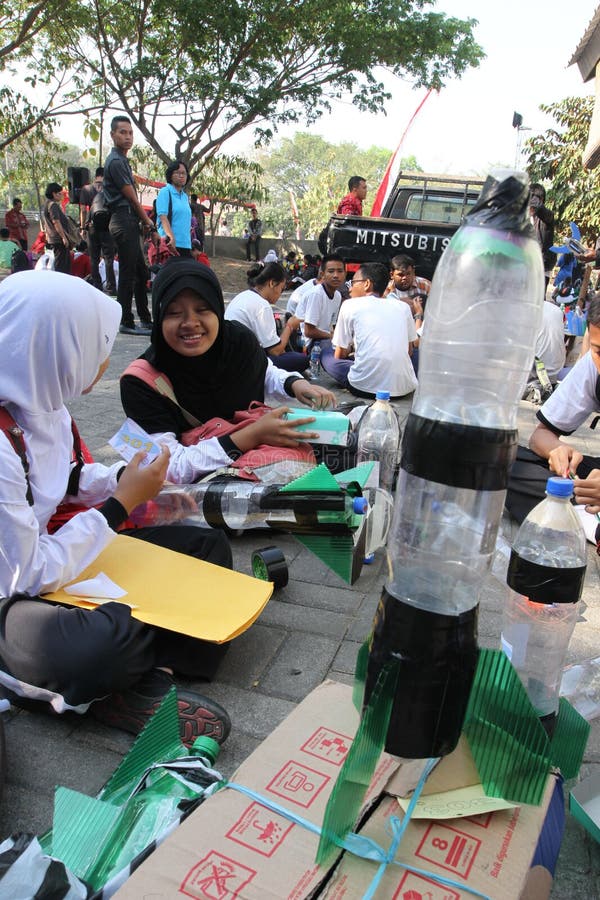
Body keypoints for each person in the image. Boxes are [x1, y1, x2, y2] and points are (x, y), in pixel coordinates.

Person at [0, 270, 232, 745]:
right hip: (12, 594)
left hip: (49, 559)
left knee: (206, 548)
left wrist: (126, 481)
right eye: (93, 347)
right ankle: (102, 675)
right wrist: (120, 503)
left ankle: (144, 680)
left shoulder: (42, 403)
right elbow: (24, 577)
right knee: (98, 646)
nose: (104, 362)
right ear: (50, 349)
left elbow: (60, 479)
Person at [121, 259, 335, 485]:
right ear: (159, 316)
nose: (190, 323)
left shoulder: (237, 341)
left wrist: (295, 384)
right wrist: (252, 435)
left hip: (257, 467)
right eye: (174, 313)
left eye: (203, 309)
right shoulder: (141, 382)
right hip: (197, 495)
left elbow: (262, 371)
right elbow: (166, 468)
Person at [506, 295, 600, 531]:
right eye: (599, 351)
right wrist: (557, 451)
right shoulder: (591, 366)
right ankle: (577, 511)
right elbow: (541, 436)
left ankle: (567, 514)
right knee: (503, 459)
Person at [321, 262, 418, 398]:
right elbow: (409, 351)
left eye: (353, 282)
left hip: (364, 388)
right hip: (403, 389)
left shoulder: (349, 305)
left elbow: (339, 354)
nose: (350, 288)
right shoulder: (403, 307)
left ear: (367, 284)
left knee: (326, 353)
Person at [103, 115, 154, 335]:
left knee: (141, 273)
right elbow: (132, 198)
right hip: (123, 219)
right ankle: (125, 320)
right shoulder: (115, 161)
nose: (127, 137)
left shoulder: (122, 160)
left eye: (130, 133)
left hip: (128, 220)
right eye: (122, 132)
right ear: (113, 135)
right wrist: (148, 221)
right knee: (128, 273)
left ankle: (145, 318)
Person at [225, 262, 309, 373]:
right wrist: (289, 326)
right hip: (244, 365)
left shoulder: (244, 295)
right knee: (301, 360)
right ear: (272, 283)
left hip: (231, 357)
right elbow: (275, 351)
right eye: (281, 289)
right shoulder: (262, 305)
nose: (280, 293)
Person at [79, 166, 117, 295]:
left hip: (92, 227)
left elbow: (83, 210)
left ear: (95, 176)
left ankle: (96, 285)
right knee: (108, 258)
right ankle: (111, 287)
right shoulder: (110, 189)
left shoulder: (86, 189)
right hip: (107, 227)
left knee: (93, 258)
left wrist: (83, 227)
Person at [297, 254, 345, 349]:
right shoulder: (317, 294)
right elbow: (309, 331)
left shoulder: (337, 295)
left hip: (325, 339)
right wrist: (333, 337)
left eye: (340, 271)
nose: (336, 275)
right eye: (331, 271)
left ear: (345, 274)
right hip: (310, 343)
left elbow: (332, 325)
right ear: (322, 275)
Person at [156, 160, 192, 257]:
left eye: (184, 173)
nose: (181, 176)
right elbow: (163, 217)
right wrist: (171, 237)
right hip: (169, 245)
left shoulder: (185, 197)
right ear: (170, 174)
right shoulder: (165, 192)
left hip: (185, 245)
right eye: (177, 173)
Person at [41, 182, 71, 275]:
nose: (61, 195)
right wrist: (63, 237)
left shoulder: (47, 204)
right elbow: (56, 222)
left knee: (62, 262)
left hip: (53, 238)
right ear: (54, 193)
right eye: (59, 193)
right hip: (58, 239)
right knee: (61, 264)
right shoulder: (52, 205)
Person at [529, 183, 555, 290]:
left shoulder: (546, 218)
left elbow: (547, 215)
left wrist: (536, 205)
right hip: (525, 266)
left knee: (537, 302)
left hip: (541, 268)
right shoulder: (522, 218)